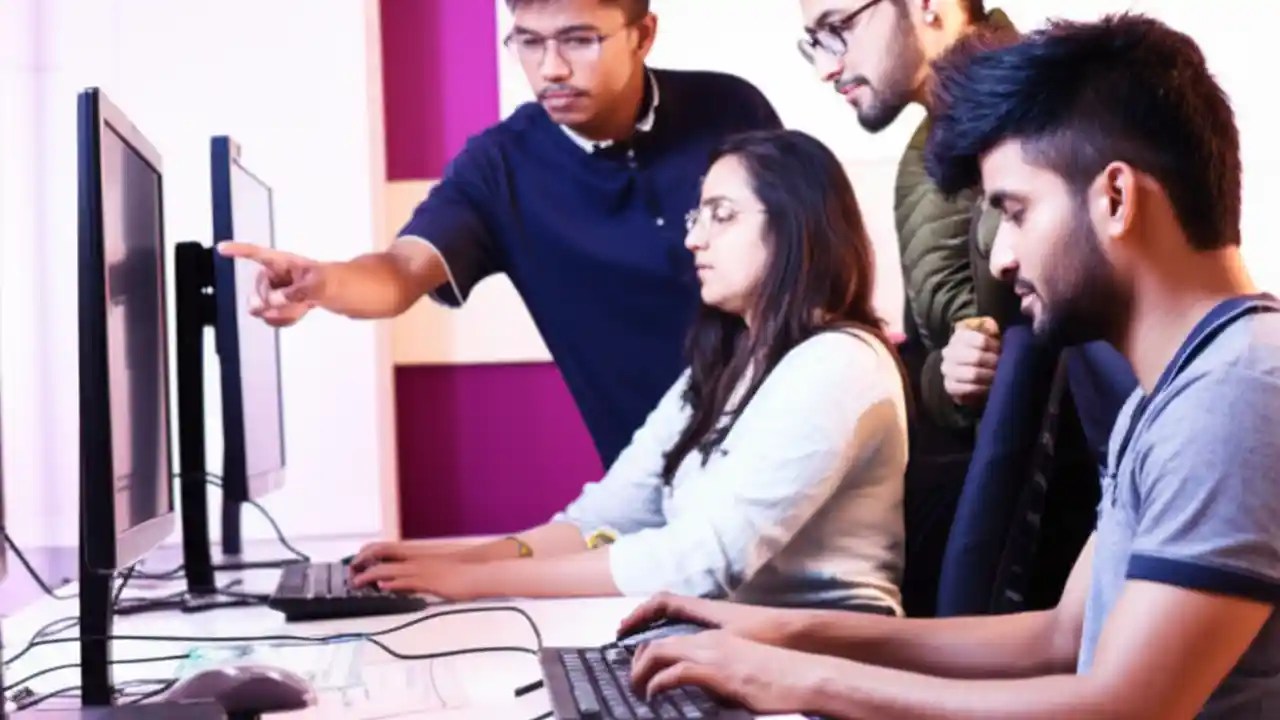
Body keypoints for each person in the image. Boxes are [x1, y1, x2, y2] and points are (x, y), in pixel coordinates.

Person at [624, 15, 1280, 718]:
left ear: (1115, 199)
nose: (1003, 258)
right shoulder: (1172, 395)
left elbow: (1123, 707)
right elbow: (1060, 639)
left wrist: (793, 682)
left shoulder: (1235, 393)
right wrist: (783, 634)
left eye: (1017, 212)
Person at [346, 130, 910, 613]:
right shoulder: (727, 363)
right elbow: (610, 513)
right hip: (729, 645)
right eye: (698, 215)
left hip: (821, 665)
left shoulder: (838, 364)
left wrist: (470, 581)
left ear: (797, 227)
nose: (694, 238)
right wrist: (455, 561)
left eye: (723, 215)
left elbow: (700, 562)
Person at [221, 0, 781, 469]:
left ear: (643, 35)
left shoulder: (731, 109)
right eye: (528, 43)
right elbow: (400, 273)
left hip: (790, 438)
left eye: (579, 40)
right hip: (657, 478)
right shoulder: (501, 165)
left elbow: (812, 266)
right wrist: (324, 284)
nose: (552, 69)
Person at [797, 0, 1129, 614]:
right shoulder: (923, 158)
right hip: (970, 508)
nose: (828, 66)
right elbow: (939, 351)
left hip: (1062, 528)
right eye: (815, 40)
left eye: (839, 27)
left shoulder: (1058, 111)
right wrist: (952, 374)